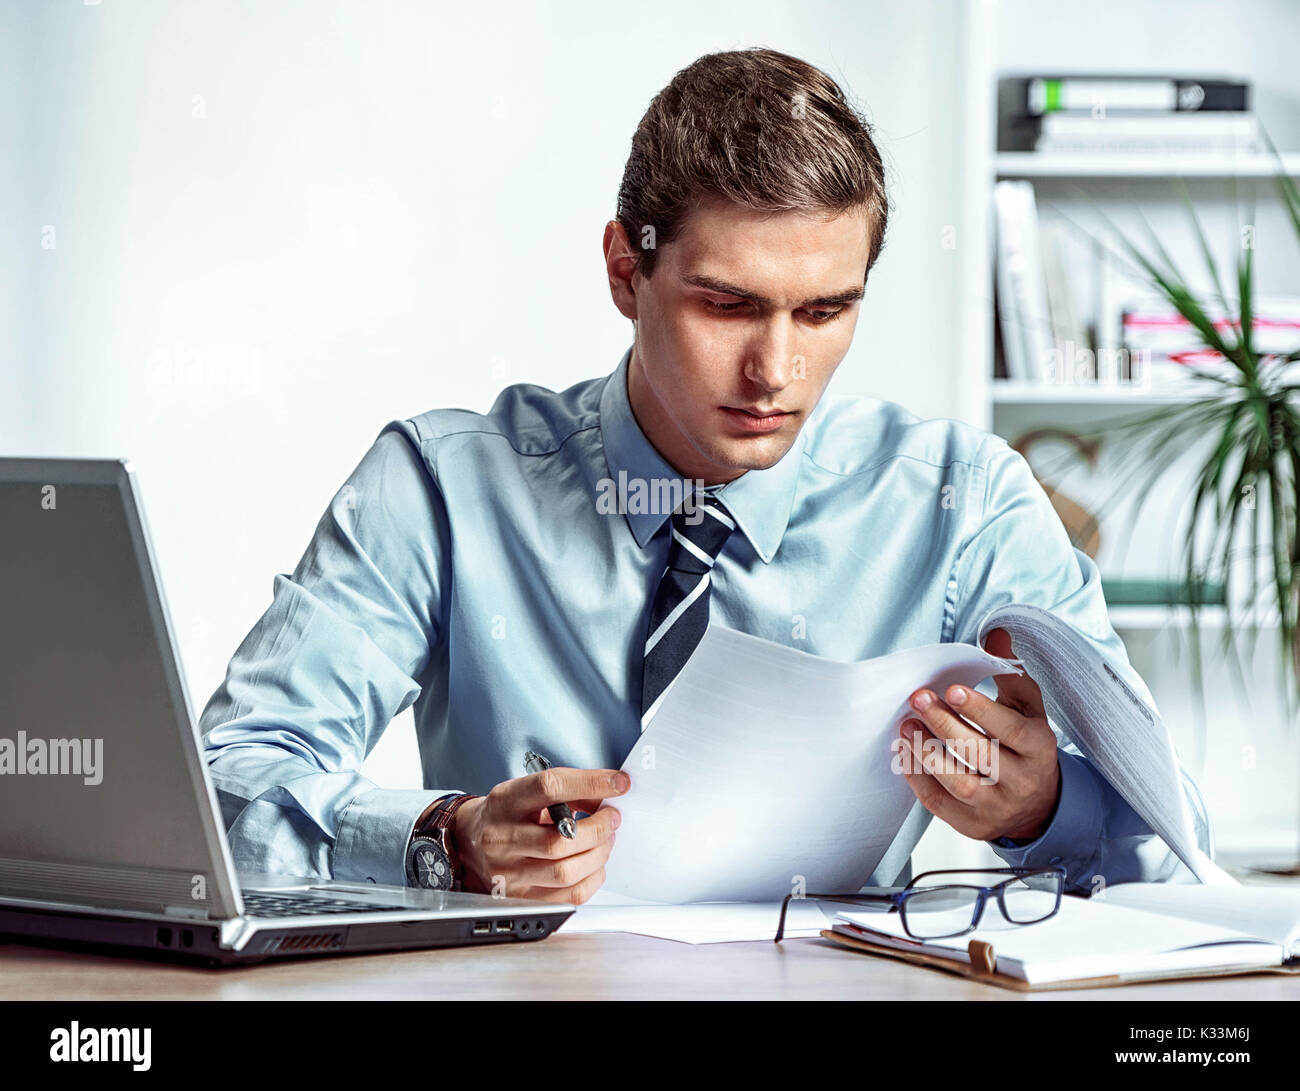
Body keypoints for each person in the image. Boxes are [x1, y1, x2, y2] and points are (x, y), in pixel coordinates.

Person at [199, 47, 1212, 905]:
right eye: (727, 306)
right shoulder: (439, 487)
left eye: (824, 312)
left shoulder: (963, 500)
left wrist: (1041, 808)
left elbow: (1176, 842)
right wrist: (442, 837)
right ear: (623, 271)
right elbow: (219, 788)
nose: (777, 369)